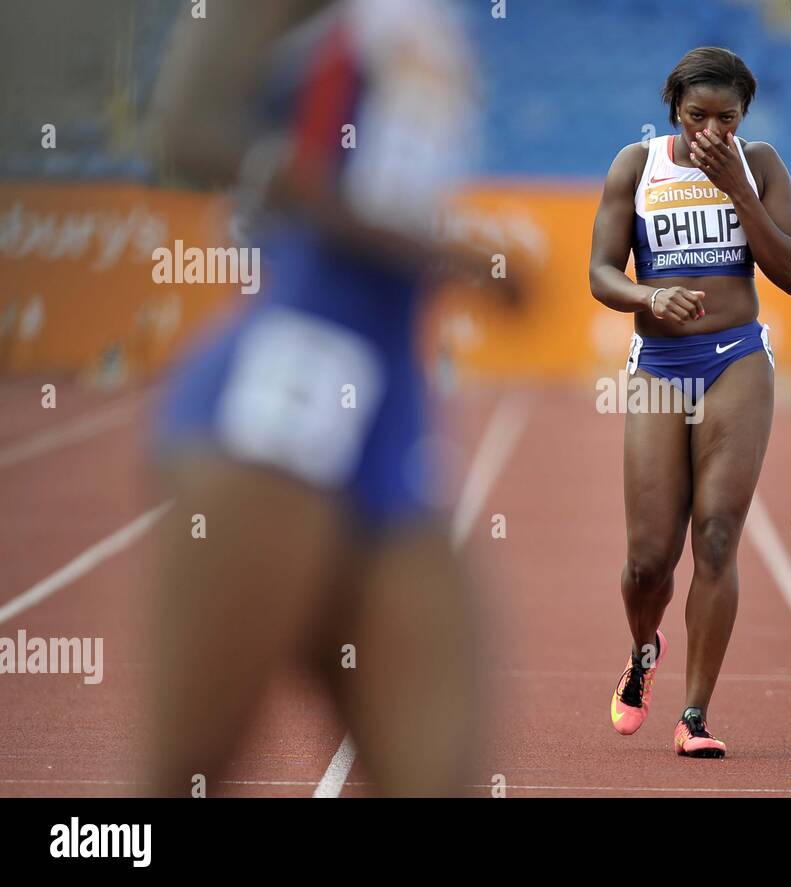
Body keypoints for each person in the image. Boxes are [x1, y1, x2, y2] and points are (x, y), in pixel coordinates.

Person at [145, 0, 515, 795]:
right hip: (286, 395)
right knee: (180, 774)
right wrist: (437, 248)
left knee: (438, 775)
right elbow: (185, 132)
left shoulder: (439, 17)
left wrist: (442, 251)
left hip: (393, 409)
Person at [588, 47, 791, 758]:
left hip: (736, 359)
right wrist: (650, 294)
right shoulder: (637, 164)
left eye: (727, 118)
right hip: (659, 363)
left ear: (744, 116)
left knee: (715, 535)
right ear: (672, 112)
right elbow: (599, 273)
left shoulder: (762, 164)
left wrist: (738, 188)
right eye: (697, 116)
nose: (712, 130)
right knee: (649, 558)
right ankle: (643, 648)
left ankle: (694, 713)